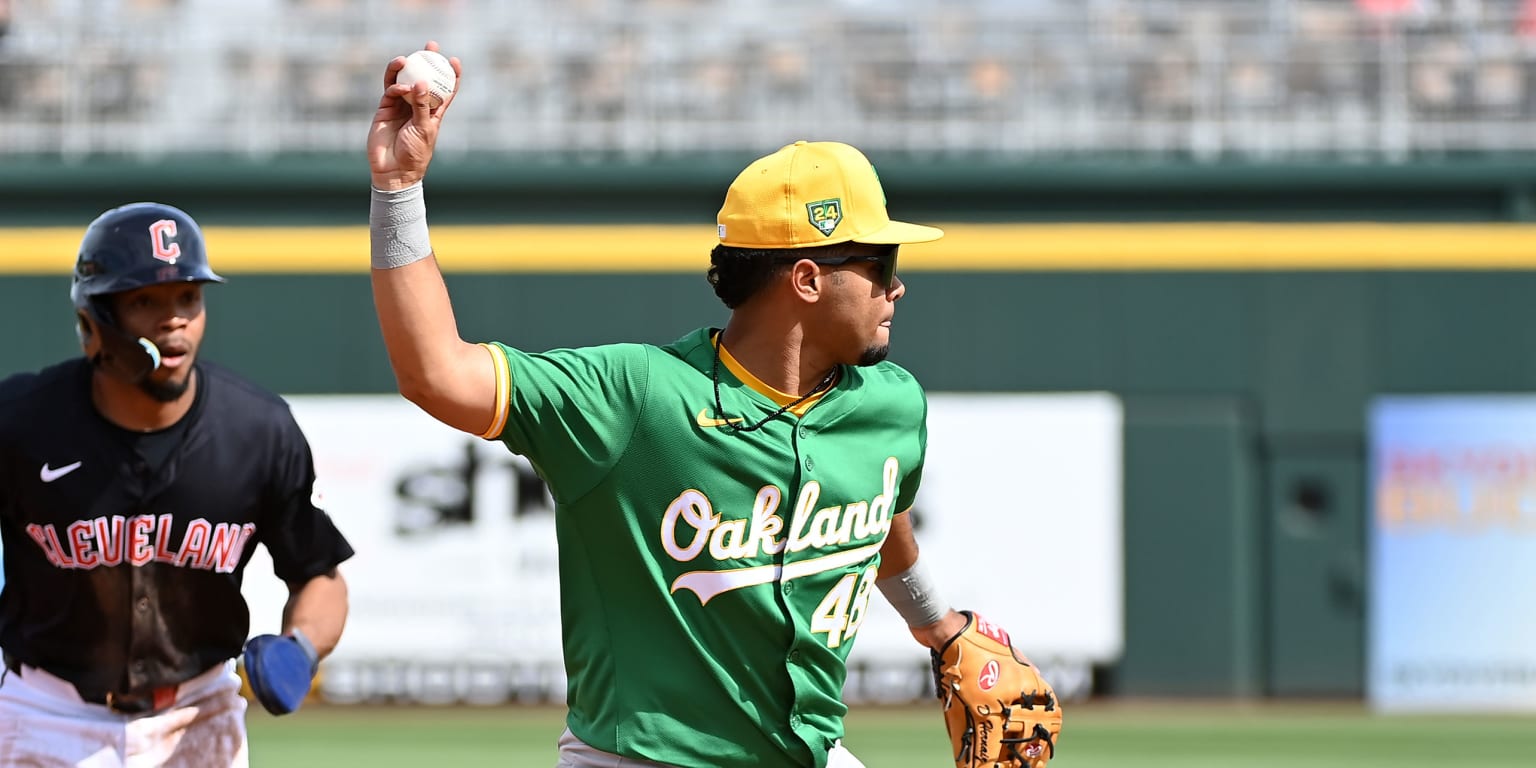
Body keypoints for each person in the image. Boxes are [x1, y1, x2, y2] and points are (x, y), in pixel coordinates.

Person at [368, 44, 1055, 768]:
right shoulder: (636, 397)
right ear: (808, 279)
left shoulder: (890, 405)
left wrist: (939, 626)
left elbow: (877, 513)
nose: (897, 286)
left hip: (808, 753)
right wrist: (399, 187)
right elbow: (436, 373)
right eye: (880, 264)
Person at [0, 202, 355, 767]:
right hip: (47, 715)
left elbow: (318, 572)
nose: (175, 321)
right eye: (145, 301)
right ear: (94, 321)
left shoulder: (255, 431)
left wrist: (302, 647)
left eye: (188, 297)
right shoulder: (21, 423)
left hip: (198, 715)